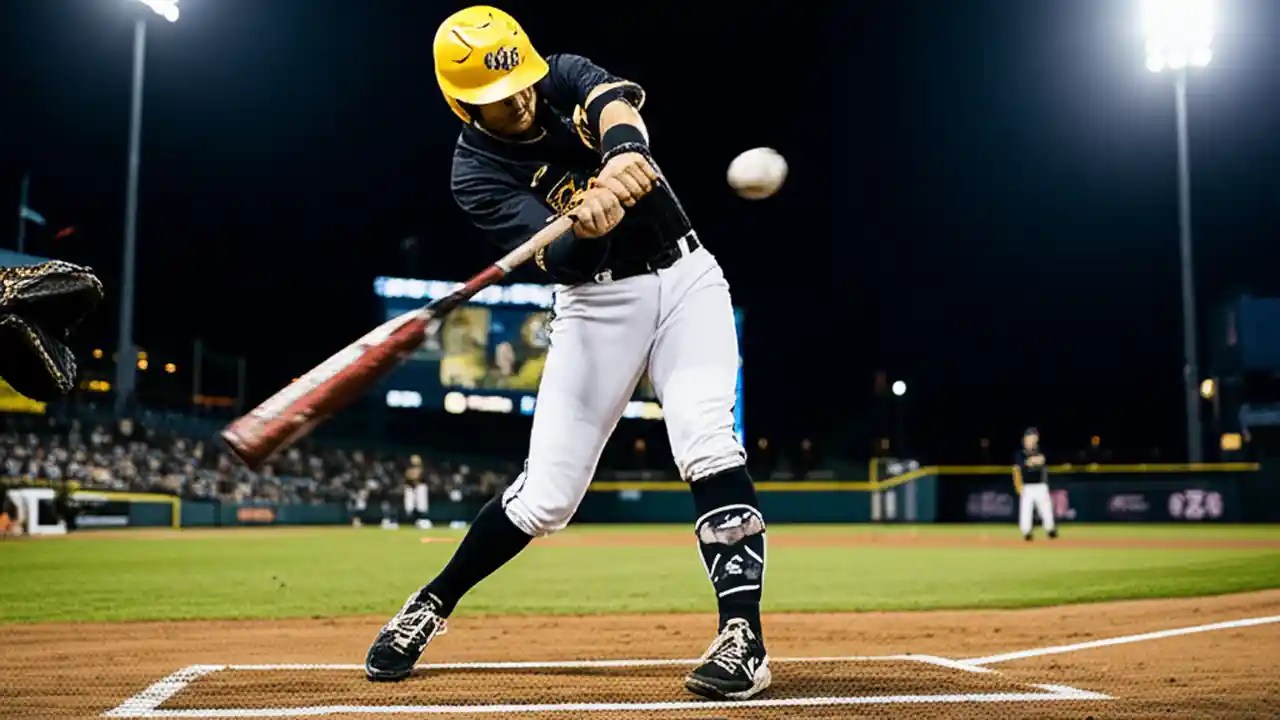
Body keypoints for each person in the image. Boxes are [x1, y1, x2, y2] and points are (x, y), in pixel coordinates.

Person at [364, 6, 770, 701]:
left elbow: (615, 107)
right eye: (498, 95)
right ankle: (429, 605)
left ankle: (744, 639)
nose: (521, 97)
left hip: (686, 277)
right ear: (463, 103)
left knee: (707, 440)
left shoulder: (560, 76)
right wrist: (586, 226)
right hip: (596, 305)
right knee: (545, 501)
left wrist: (620, 157)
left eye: (521, 80)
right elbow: (567, 264)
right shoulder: (475, 176)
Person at [1013, 427, 1057, 540]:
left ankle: (1050, 530)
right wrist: (1034, 461)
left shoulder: (1041, 450)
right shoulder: (1020, 453)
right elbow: (1022, 464)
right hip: (1027, 486)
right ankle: (1027, 532)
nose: (1029, 441)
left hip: (1041, 485)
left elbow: (1043, 460)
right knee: (1025, 510)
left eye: (1032, 438)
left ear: (1036, 439)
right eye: (1028, 439)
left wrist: (1033, 461)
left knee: (1046, 509)